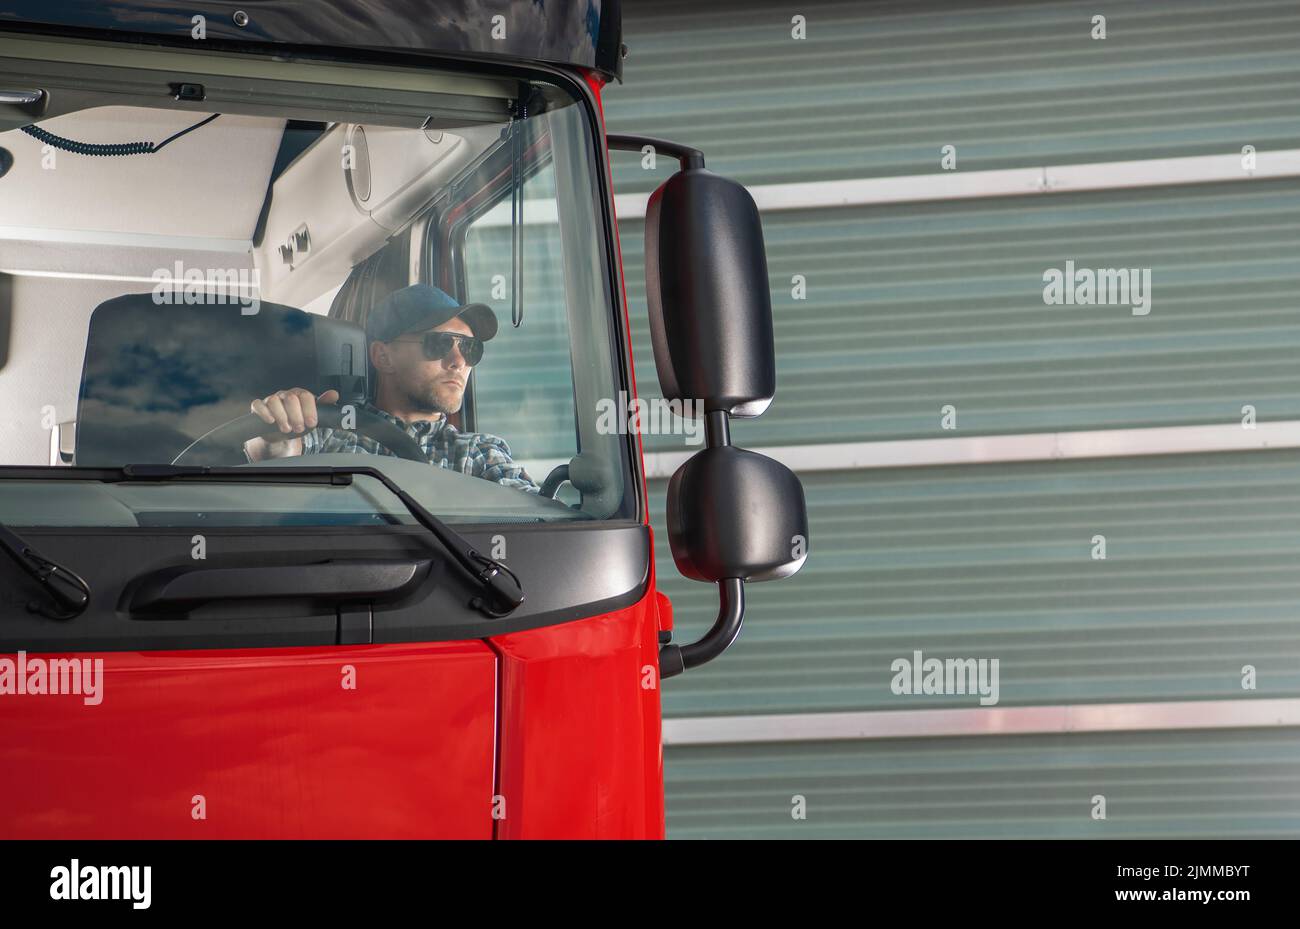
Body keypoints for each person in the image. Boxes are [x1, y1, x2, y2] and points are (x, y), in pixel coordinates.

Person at [245, 284, 538, 493]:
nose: (458, 361)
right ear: (382, 356)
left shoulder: (479, 454)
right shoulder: (329, 436)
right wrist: (276, 428)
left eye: (470, 348)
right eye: (440, 343)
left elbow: (537, 523)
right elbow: (276, 453)